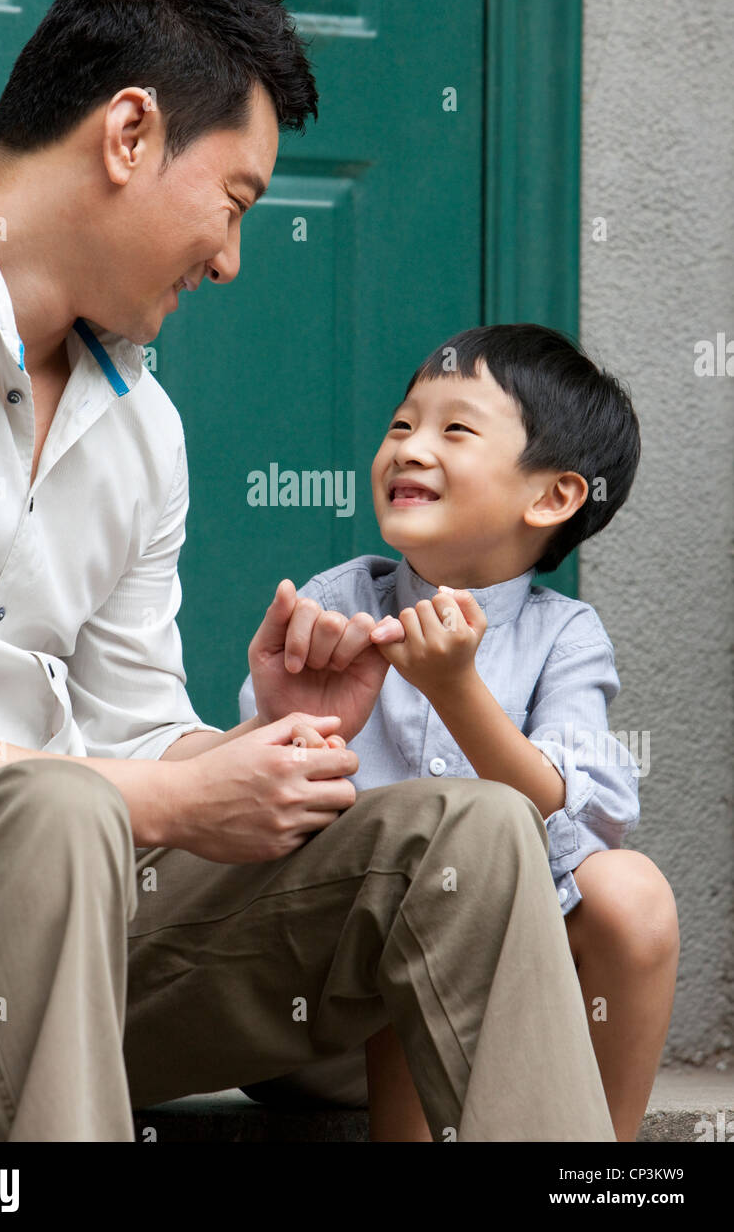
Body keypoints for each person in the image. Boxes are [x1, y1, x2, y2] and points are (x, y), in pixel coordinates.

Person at [0, 0, 616, 1143]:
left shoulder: (142, 426)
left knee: (465, 830)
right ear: (128, 134)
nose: (228, 257)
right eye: (236, 200)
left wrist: (257, 740)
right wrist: (158, 793)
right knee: (56, 812)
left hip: (82, 947)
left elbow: (129, 725)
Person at [238, 323, 680, 1141]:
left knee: (632, 895)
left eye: (455, 429)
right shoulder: (338, 608)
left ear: (552, 497)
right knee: (429, 882)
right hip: (326, 1014)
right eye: (402, 424)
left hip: (489, 1015)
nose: (409, 447)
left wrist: (456, 689)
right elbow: (248, 810)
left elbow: (583, 816)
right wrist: (291, 729)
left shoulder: (565, 637)